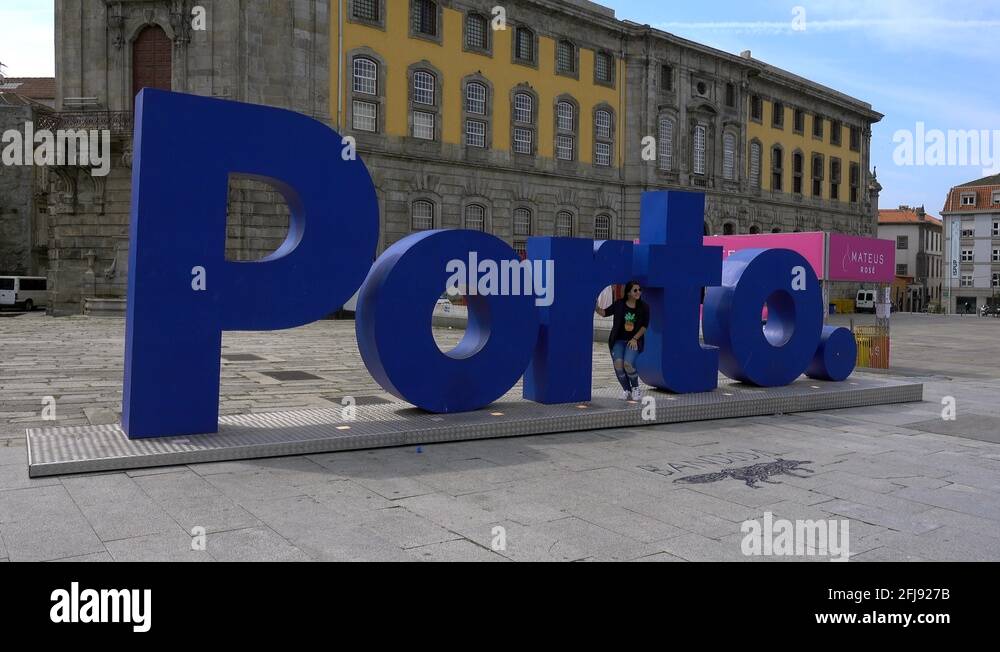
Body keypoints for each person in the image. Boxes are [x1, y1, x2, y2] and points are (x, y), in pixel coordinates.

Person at [595, 281, 649, 401]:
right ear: (629, 292)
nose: (638, 292)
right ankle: (626, 390)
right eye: (635, 290)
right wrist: (596, 307)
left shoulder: (644, 307)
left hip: (633, 341)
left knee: (628, 364)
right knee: (618, 365)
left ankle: (635, 388)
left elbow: (644, 326)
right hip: (618, 340)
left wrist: (635, 338)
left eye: (640, 290)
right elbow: (604, 313)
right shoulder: (619, 304)